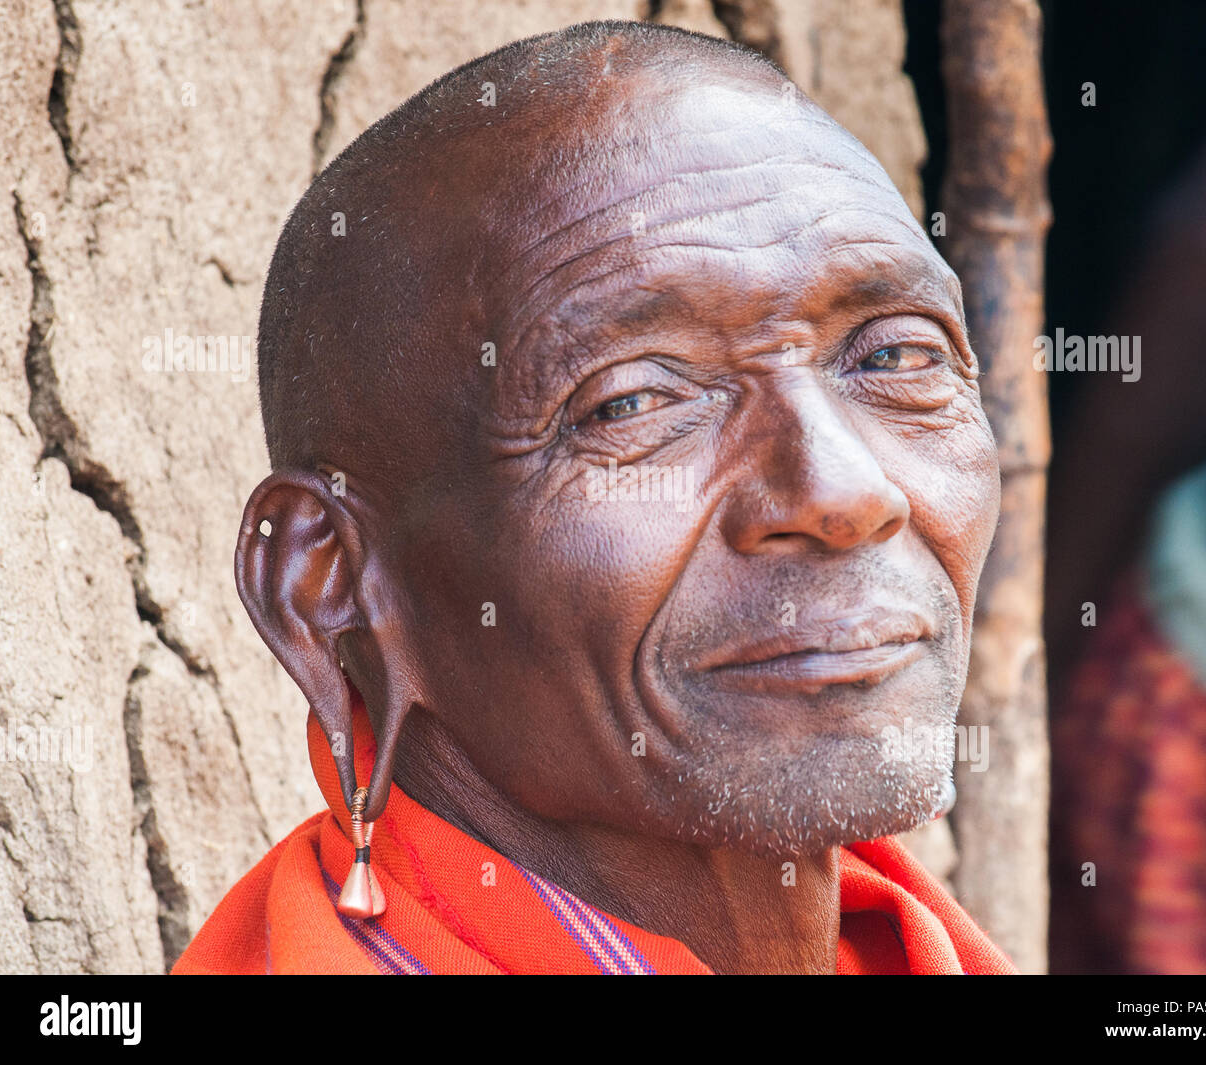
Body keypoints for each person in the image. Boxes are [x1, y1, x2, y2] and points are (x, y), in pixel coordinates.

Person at [173, 19, 1013, 975]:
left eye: (895, 355)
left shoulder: (889, 943)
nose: (846, 492)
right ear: (328, 586)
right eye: (632, 402)